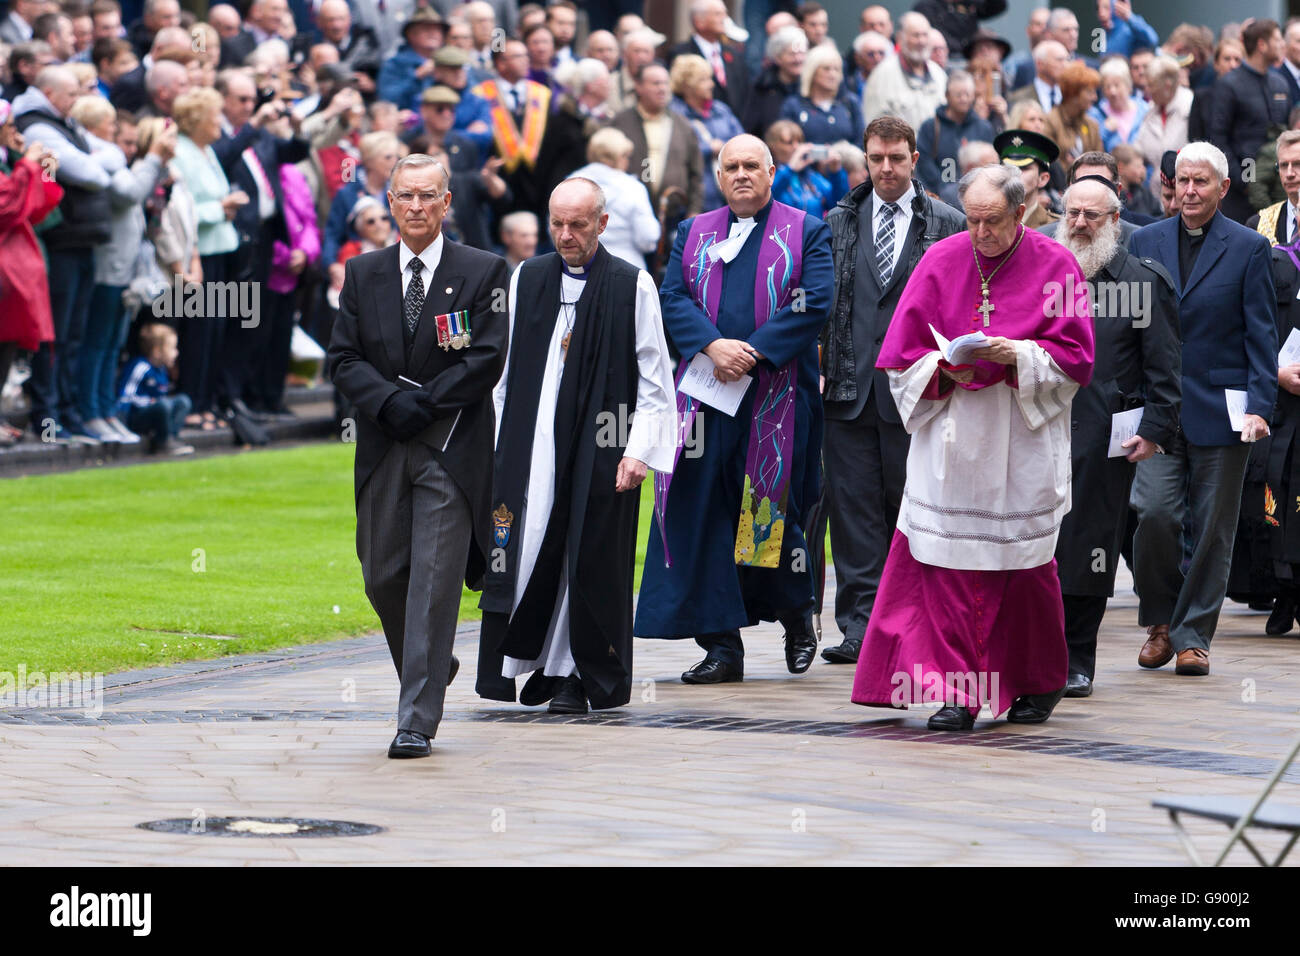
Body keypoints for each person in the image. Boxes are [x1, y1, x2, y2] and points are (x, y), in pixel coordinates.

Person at [850, 163, 1094, 730]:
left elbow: (1077, 360)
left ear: (1021, 212)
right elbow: (900, 361)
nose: (980, 234)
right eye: (974, 220)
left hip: (1021, 438)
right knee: (949, 571)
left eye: (993, 222)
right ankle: (957, 693)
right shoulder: (941, 259)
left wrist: (1020, 355)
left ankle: (1037, 684)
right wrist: (941, 370)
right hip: (952, 440)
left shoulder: (1055, 265)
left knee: (1028, 570)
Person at [327, 153, 509, 759]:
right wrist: (386, 404)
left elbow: (485, 358)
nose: (415, 207)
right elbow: (344, 358)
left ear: (447, 202)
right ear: (389, 202)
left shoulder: (483, 271)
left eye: (428, 196)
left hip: (450, 448)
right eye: (405, 196)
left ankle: (416, 719)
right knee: (382, 574)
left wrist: (426, 402)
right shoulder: (363, 272)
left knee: (434, 584)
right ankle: (432, 660)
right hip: (384, 445)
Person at [635, 133, 833, 683]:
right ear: (719, 177)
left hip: (776, 396)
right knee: (700, 516)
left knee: (767, 517)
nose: (742, 174)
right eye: (731, 167)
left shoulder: (807, 230)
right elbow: (671, 296)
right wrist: (711, 345)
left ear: (772, 173)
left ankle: (797, 614)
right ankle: (721, 647)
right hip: (703, 399)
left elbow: (815, 302)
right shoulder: (692, 231)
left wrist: (752, 353)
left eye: (752, 166)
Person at [476, 177, 675, 714]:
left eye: (578, 224)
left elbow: (656, 382)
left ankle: (572, 673)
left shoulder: (632, 286)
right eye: (557, 223)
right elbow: (505, 370)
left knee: (582, 556)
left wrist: (639, 452)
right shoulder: (528, 277)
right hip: (530, 440)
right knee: (528, 544)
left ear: (603, 224)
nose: (566, 235)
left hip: (600, 444)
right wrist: (495, 444)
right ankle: (535, 663)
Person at [819, 115, 965, 664]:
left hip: (919, 394)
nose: (885, 168)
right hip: (847, 389)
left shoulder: (947, 223)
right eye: (875, 158)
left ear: (913, 159)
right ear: (865, 159)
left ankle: (917, 622)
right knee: (852, 513)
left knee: (915, 509)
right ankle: (861, 626)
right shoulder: (836, 222)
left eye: (896, 158)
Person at [1129, 141, 1278, 677]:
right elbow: (1128, 329)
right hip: (1158, 409)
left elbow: (1262, 336)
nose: (1188, 191)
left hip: (1223, 406)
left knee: (1215, 526)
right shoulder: (1143, 240)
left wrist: (1262, 405)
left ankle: (1194, 636)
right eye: (1181, 181)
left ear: (1223, 187)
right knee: (1154, 513)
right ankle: (1160, 621)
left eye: (1200, 182)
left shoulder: (1247, 248)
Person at [1051, 176, 1181, 698]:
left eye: (1092, 216)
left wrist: (1153, 431)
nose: (1080, 224)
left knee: (1088, 548)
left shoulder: (1142, 282)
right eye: (1073, 214)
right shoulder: (1044, 272)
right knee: (1040, 547)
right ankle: (1036, 652)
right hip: (1040, 431)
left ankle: (1078, 658)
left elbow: (1165, 369)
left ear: (1114, 222)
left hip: (1106, 438)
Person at [1254, 130, 1300, 634]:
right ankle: (1282, 588)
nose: (1291, 173)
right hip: (1281, 383)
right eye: (1285, 165)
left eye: (1299, 164)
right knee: (1275, 488)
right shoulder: (1262, 226)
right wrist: (1274, 370)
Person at [0, 98, 61, 448]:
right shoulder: (13, 168)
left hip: (16, 277)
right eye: (10, 125)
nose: (16, 132)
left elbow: (39, 209)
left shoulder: (9, 165)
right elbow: (6, 209)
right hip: (7, 276)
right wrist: (25, 165)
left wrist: (44, 168)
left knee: (8, 346)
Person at [1208, 18, 1292, 223]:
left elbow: (1288, 134)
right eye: (1278, 39)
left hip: (1279, 184)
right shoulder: (1230, 84)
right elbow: (1219, 138)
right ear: (1262, 45)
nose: (1283, 45)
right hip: (1244, 184)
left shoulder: (1280, 83)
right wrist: (1244, 181)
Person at [611, 62, 704, 222]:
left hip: (674, 216)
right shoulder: (621, 123)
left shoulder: (683, 125)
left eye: (665, 83)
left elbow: (696, 174)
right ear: (638, 87)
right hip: (627, 216)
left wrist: (694, 211)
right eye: (655, 83)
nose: (662, 89)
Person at [567, 126, 659, 268]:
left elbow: (557, 229)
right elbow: (648, 238)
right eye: (626, 156)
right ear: (618, 156)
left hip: (580, 267)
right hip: (626, 268)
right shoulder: (633, 187)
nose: (627, 161)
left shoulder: (571, 183)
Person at [670, 51, 743, 212]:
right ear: (686, 85)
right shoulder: (675, 114)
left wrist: (726, 149)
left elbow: (742, 141)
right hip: (695, 201)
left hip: (727, 197)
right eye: (703, 80)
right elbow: (675, 151)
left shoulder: (721, 110)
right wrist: (708, 148)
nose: (711, 84)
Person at [116, 323, 193, 455]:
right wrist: (149, 402)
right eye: (172, 348)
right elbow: (126, 396)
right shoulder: (141, 367)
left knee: (183, 401)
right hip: (136, 416)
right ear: (157, 351)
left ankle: (171, 437)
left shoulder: (162, 369)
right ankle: (163, 442)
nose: (176, 353)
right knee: (163, 405)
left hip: (155, 410)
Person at [666, 0, 750, 121]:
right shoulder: (680, 53)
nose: (724, 19)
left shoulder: (734, 54)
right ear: (699, 21)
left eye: (725, 14)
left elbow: (745, 94)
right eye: (717, 14)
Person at [916, 70, 995, 195]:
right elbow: (924, 162)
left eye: (967, 94)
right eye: (958, 95)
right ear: (947, 95)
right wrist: (942, 190)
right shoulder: (931, 126)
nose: (963, 99)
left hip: (977, 194)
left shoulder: (984, 128)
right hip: (938, 195)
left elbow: (992, 163)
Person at [780, 42, 862, 150]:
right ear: (812, 71)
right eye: (826, 69)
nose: (832, 75)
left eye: (837, 69)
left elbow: (861, 142)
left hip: (845, 165)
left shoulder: (851, 103)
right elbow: (786, 146)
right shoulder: (793, 106)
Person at [764, 118, 844, 218]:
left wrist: (836, 172)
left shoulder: (810, 176)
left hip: (813, 232)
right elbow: (766, 195)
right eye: (790, 142)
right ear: (773, 147)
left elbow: (839, 205)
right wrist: (790, 168)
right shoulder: (768, 174)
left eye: (799, 141)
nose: (796, 147)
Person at [1132, 55, 1193, 176]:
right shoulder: (1151, 110)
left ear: (1167, 85)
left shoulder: (1190, 106)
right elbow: (1138, 148)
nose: (1148, 90)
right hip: (1157, 188)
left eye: (1151, 85)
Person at [996, 127, 1060, 228]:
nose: (1014, 173)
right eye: (1008, 168)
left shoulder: (1054, 227)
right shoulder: (989, 221)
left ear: (1043, 179)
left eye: (1023, 168)